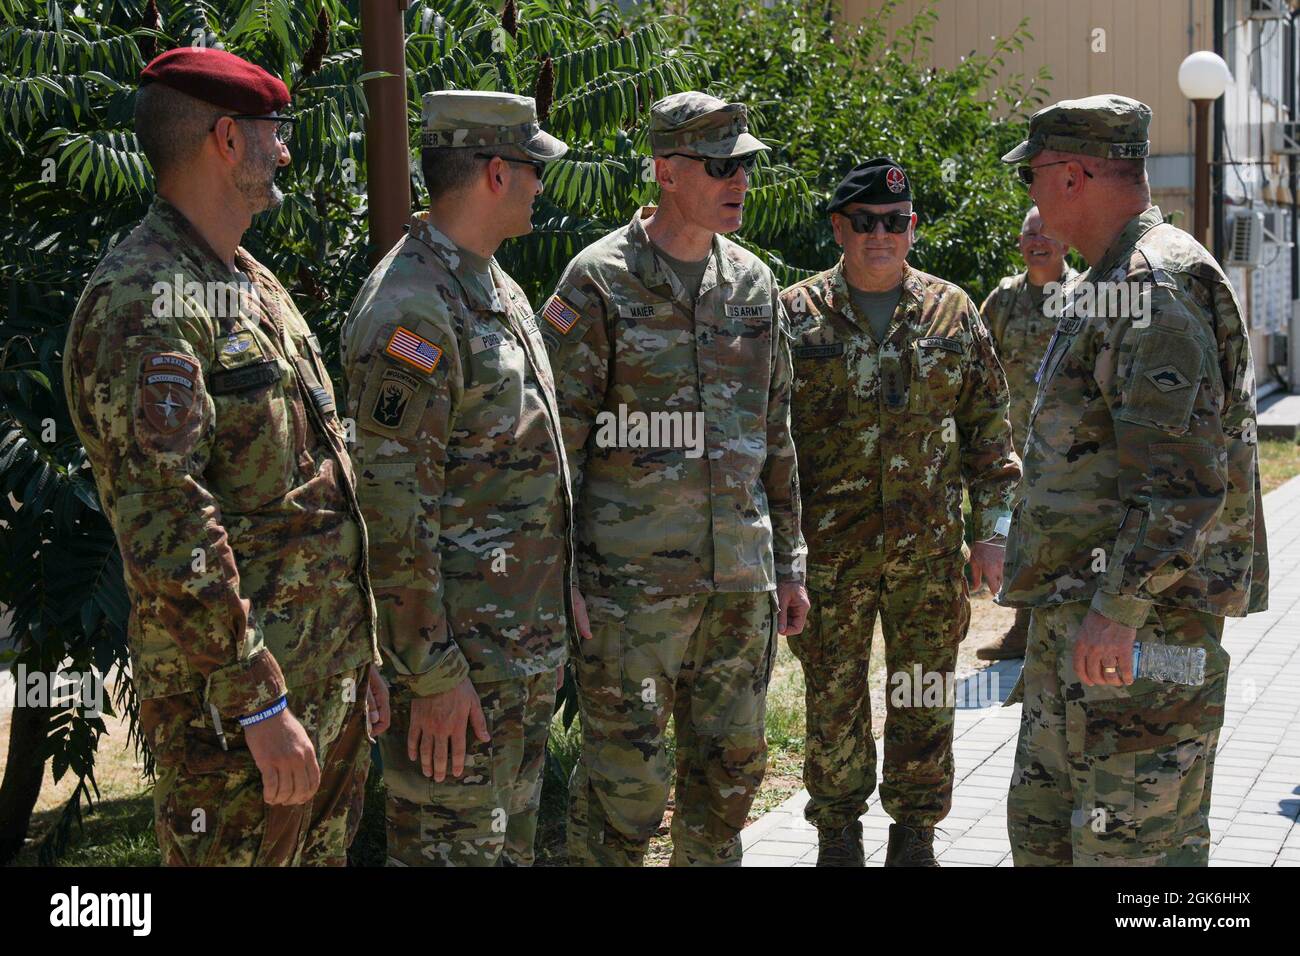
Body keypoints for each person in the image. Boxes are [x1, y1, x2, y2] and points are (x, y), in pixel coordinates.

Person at [62, 46, 387, 866]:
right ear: (225, 138)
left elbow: (319, 485)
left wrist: (363, 661)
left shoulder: (247, 279)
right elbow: (167, 521)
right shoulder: (144, 297)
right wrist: (256, 703)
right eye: (275, 132)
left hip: (322, 683)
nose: (286, 150)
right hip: (238, 713)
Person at [998, 94, 1269, 865]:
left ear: (1075, 175)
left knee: (1136, 855)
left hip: (1140, 637)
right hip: (1081, 627)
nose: (1033, 198)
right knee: (1050, 837)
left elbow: (1182, 483)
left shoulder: (1155, 285)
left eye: (1036, 177)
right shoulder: (1109, 279)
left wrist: (1117, 610)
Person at [541, 91, 809, 867]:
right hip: (630, 594)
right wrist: (561, 578)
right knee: (625, 792)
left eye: (747, 165)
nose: (740, 181)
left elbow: (775, 432)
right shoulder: (598, 281)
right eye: (721, 166)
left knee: (728, 782)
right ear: (664, 170)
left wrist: (788, 561)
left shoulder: (754, 284)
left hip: (740, 584)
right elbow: (559, 443)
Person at [339, 90, 573, 867]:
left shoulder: (493, 284)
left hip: (517, 656)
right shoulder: (413, 310)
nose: (544, 184)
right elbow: (392, 510)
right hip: (460, 674)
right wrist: (431, 673)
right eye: (535, 168)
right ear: (497, 174)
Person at [780, 158, 1021, 866]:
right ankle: (837, 833)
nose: (880, 234)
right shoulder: (794, 315)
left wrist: (994, 533)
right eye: (864, 223)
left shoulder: (953, 310)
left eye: (895, 222)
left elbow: (990, 432)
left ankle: (915, 833)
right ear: (838, 229)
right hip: (829, 555)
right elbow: (768, 442)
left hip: (927, 552)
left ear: (912, 228)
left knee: (922, 695)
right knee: (833, 697)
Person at [976, 206, 1078, 661]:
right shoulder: (1003, 300)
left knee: (1069, 538)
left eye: (1047, 233)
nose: (1037, 242)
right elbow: (977, 363)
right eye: (1029, 235)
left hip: (1072, 447)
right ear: (1019, 244)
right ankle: (1022, 628)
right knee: (1016, 533)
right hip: (1014, 446)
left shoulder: (1085, 295)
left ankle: (1064, 631)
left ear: (1066, 242)